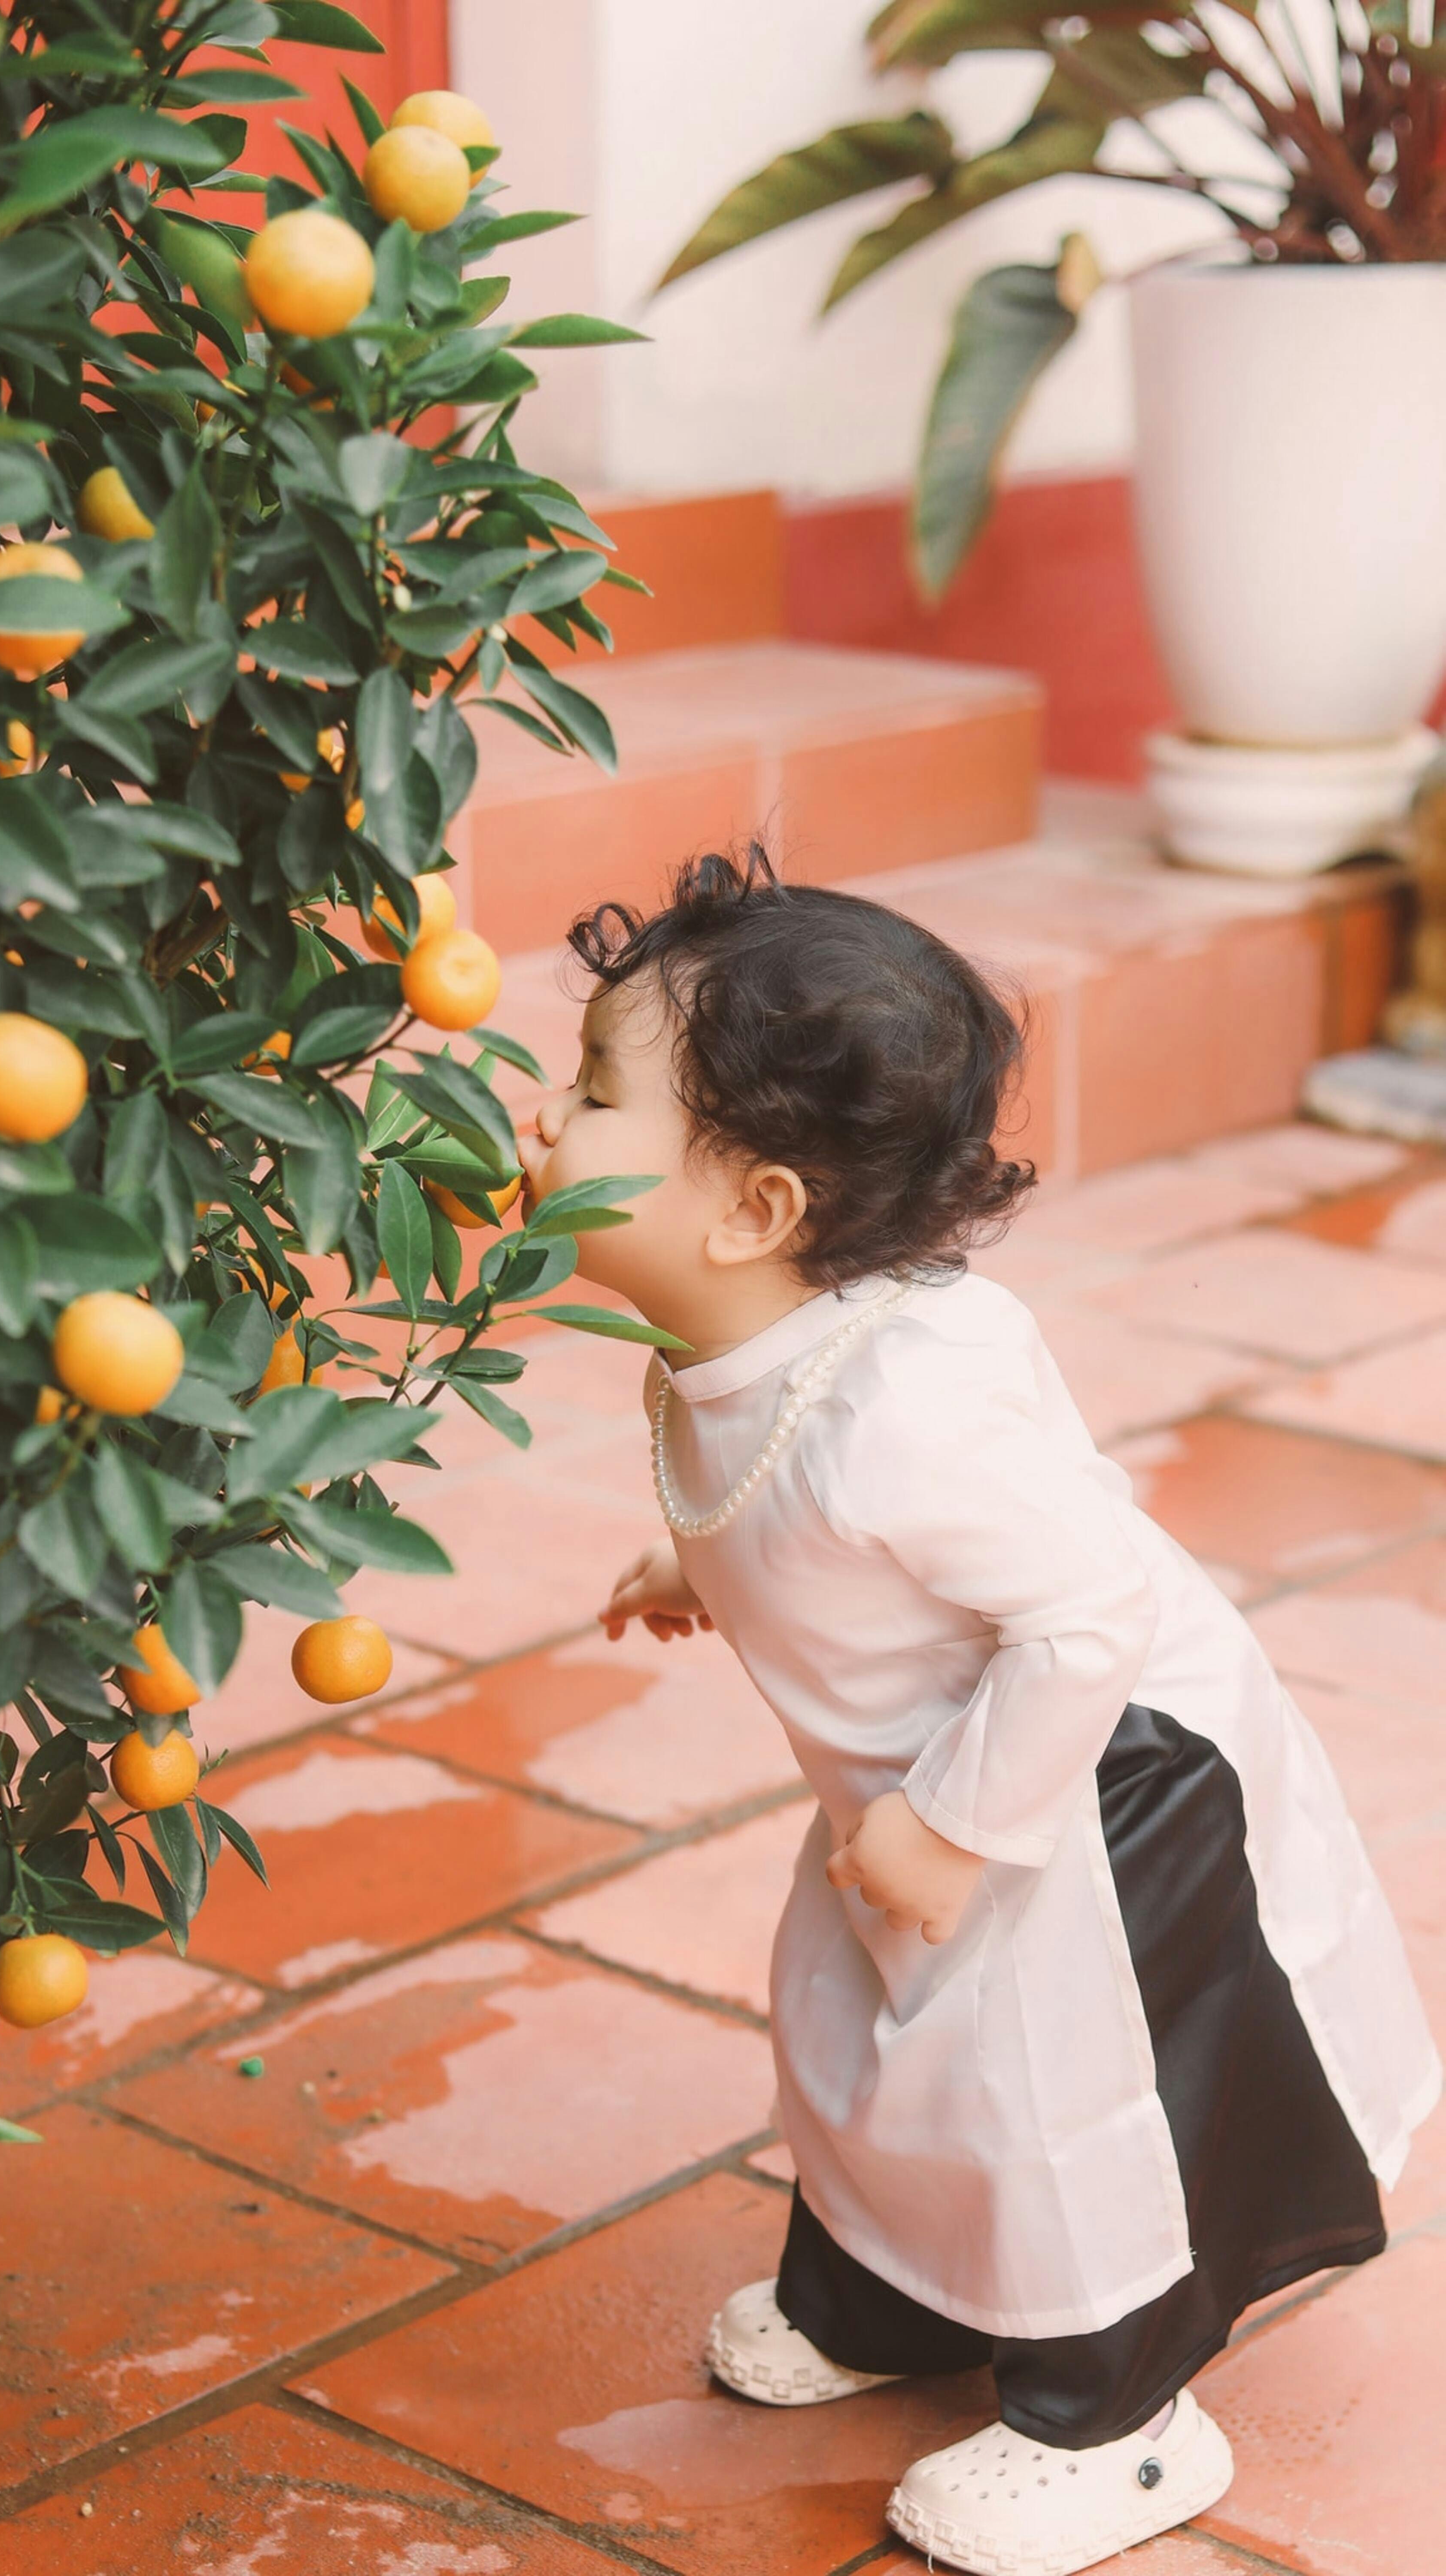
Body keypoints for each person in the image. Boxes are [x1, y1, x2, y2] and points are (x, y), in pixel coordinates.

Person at [516, 847, 1439, 2576]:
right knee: (864, 2041)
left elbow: (1081, 1608)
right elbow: (790, 1508)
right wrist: (694, 1567)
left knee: (1050, 2081)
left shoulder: (901, 1416)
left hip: (1097, 1780)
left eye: (586, 1095)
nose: (539, 1124)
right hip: (927, 1773)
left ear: (753, 1212)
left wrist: (951, 1826)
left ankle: (1127, 2417)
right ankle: (888, 2293)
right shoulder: (746, 1354)